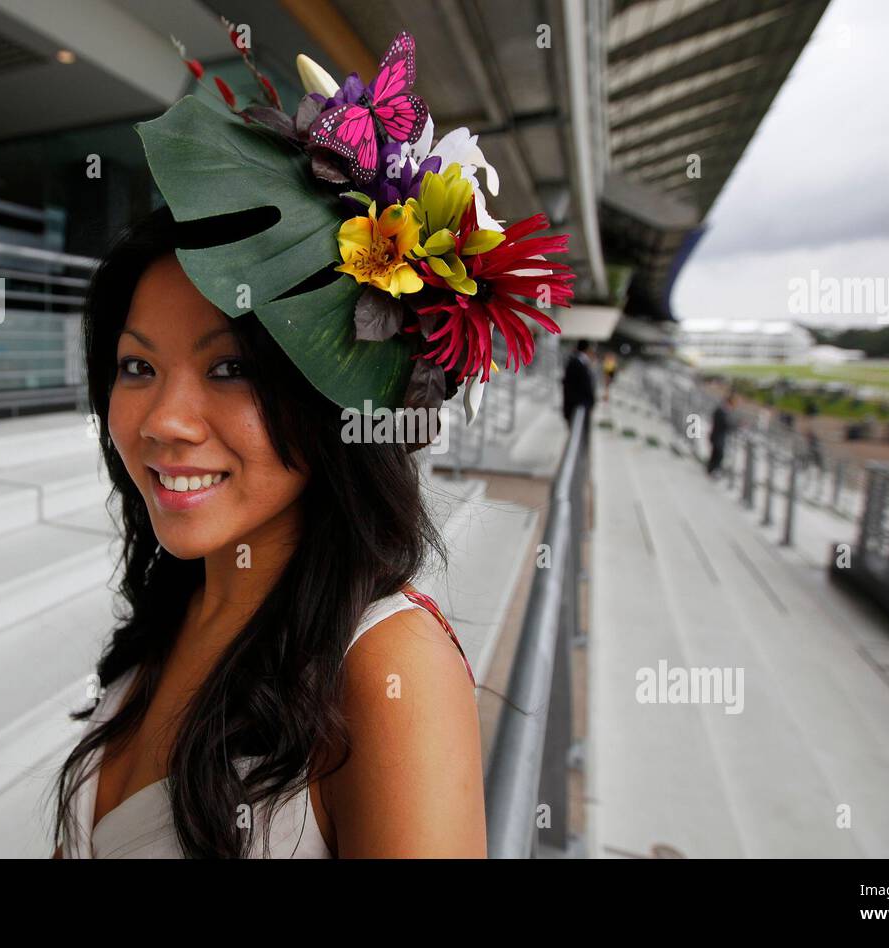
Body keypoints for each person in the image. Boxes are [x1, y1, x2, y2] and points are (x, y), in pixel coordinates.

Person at [50, 28, 576, 859]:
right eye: (137, 366)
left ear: (334, 395)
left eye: (230, 368)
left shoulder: (388, 672)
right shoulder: (176, 603)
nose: (163, 422)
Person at [563, 339, 597, 430]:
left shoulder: (579, 362)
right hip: (577, 404)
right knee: (576, 428)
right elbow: (582, 385)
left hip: (577, 403)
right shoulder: (577, 362)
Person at [707, 392, 735, 477]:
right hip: (718, 438)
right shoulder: (721, 412)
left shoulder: (720, 411)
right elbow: (726, 425)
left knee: (715, 454)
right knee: (718, 455)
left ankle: (710, 470)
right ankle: (712, 470)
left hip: (716, 436)